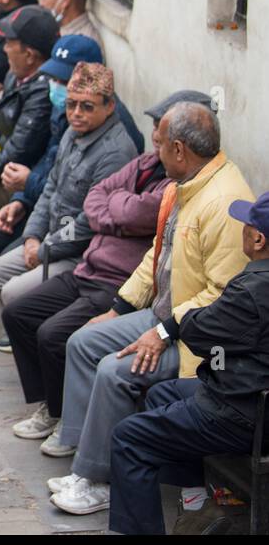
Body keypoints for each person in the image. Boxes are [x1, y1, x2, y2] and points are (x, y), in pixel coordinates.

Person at [50, 101, 252, 516]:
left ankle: (99, 478)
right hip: (164, 314)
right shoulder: (185, 186)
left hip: (196, 337)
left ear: (179, 150)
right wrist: (118, 307)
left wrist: (162, 334)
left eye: (159, 145)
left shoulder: (223, 201)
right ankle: (81, 457)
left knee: (113, 369)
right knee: (85, 340)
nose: (154, 153)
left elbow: (222, 296)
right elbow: (156, 259)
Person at [3, 93, 178, 451]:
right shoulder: (145, 163)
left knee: (54, 335)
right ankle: (52, 406)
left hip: (114, 280)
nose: (154, 139)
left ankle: (68, 421)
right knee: (18, 313)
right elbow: (95, 198)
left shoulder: (168, 180)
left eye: (160, 134)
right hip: (87, 267)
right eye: (155, 131)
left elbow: (136, 212)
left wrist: (115, 213)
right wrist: (115, 213)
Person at [109, 191, 269, 535]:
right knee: (161, 394)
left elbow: (197, 331)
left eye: (246, 225)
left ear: (258, 239)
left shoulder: (253, 289)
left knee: (129, 438)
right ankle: (202, 502)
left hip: (243, 413)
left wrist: (194, 318)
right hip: (250, 395)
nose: (240, 229)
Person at [0, 34, 104, 268]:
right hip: (43, 204)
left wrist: (29, 186)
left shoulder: (98, 130)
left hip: (71, 229)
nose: (57, 87)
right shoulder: (64, 110)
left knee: (5, 269)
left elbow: (77, 200)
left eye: (65, 81)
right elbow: (50, 163)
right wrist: (21, 200)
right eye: (54, 78)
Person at [0, 5, 59, 215]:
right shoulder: (16, 75)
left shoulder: (42, 96)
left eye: (9, 43)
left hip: (10, 183)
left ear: (29, 55)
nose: (4, 49)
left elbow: (9, 158)